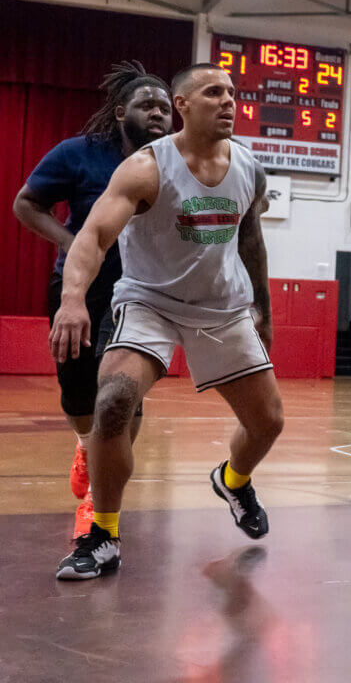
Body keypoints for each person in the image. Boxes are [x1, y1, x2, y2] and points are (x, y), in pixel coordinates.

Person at [50, 63, 282, 580]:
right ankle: (103, 535)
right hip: (150, 300)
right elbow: (92, 237)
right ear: (183, 104)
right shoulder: (145, 167)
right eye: (214, 92)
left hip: (221, 307)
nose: (228, 101)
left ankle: (234, 479)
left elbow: (250, 240)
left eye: (232, 93)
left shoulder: (249, 168)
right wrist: (72, 300)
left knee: (268, 422)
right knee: (111, 403)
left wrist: (263, 308)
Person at [12, 61, 171, 539]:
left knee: (123, 397)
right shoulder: (78, 154)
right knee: (78, 394)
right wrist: (68, 242)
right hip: (81, 288)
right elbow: (26, 203)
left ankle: (98, 502)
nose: (159, 113)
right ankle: (85, 444)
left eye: (166, 106)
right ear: (121, 110)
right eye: (147, 104)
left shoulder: (174, 162)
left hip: (141, 294)